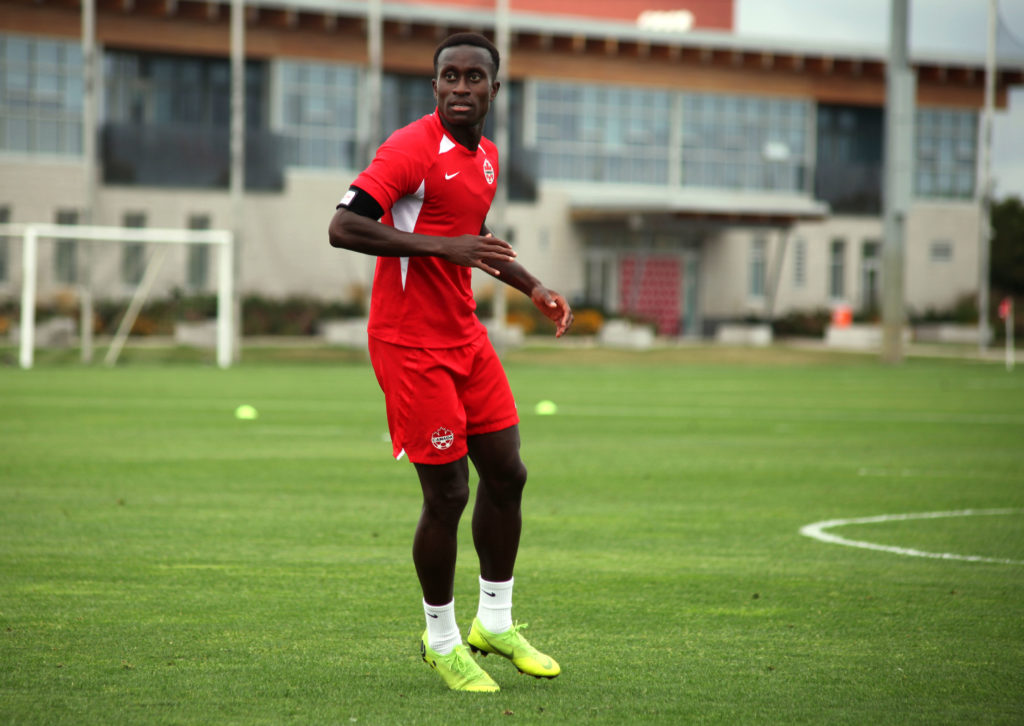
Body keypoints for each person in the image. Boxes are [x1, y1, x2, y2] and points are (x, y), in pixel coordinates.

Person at [328, 32, 573, 693]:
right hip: (409, 346)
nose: (461, 87)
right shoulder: (409, 149)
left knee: (507, 474)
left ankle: (495, 622)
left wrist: (534, 287)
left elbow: (478, 245)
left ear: (496, 90)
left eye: (474, 78)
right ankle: (440, 639)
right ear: (434, 87)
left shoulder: (487, 157)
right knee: (448, 496)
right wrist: (439, 246)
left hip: (465, 338)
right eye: (449, 77)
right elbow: (343, 227)